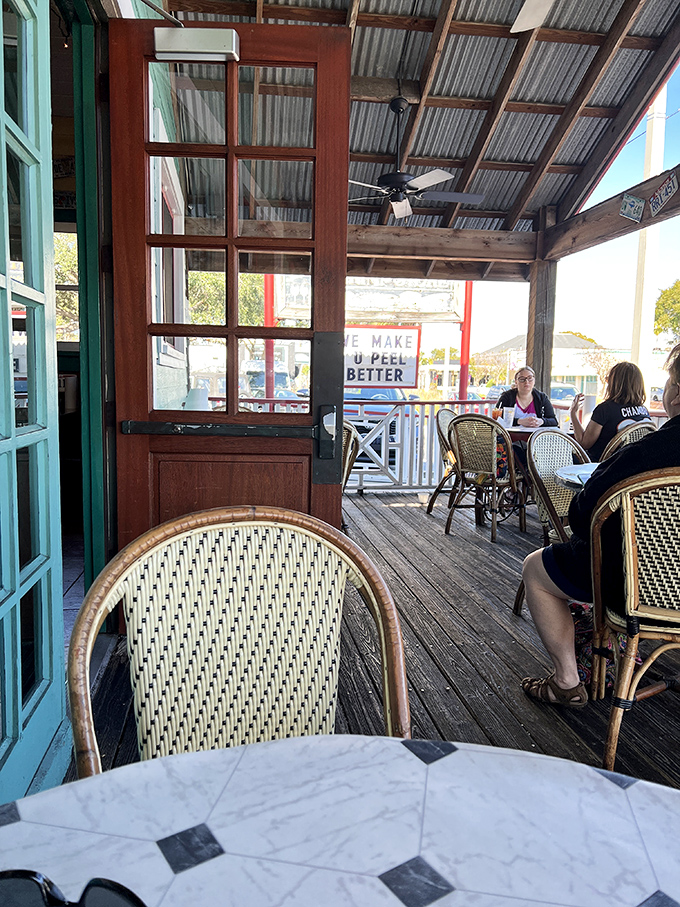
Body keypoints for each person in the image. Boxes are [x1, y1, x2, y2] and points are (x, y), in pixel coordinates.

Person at [520, 344, 680, 708]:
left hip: (638, 584)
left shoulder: (645, 453)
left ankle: (566, 681)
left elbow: (582, 516)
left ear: (677, 392)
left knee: (535, 567)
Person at [569, 361, 650, 461]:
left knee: (572, 454)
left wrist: (573, 413)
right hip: (630, 465)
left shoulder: (605, 409)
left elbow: (584, 443)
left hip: (602, 467)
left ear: (615, 383)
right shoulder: (644, 411)